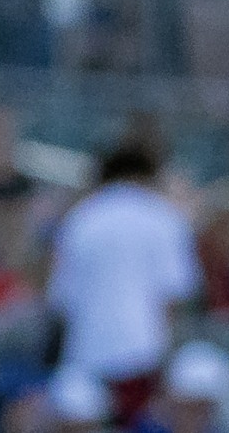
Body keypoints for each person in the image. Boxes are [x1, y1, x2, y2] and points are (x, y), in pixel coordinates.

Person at [45, 141, 202, 425]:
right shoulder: (164, 217)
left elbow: (61, 302)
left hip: (85, 358)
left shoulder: (80, 219)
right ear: (150, 175)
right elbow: (174, 298)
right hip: (143, 361)